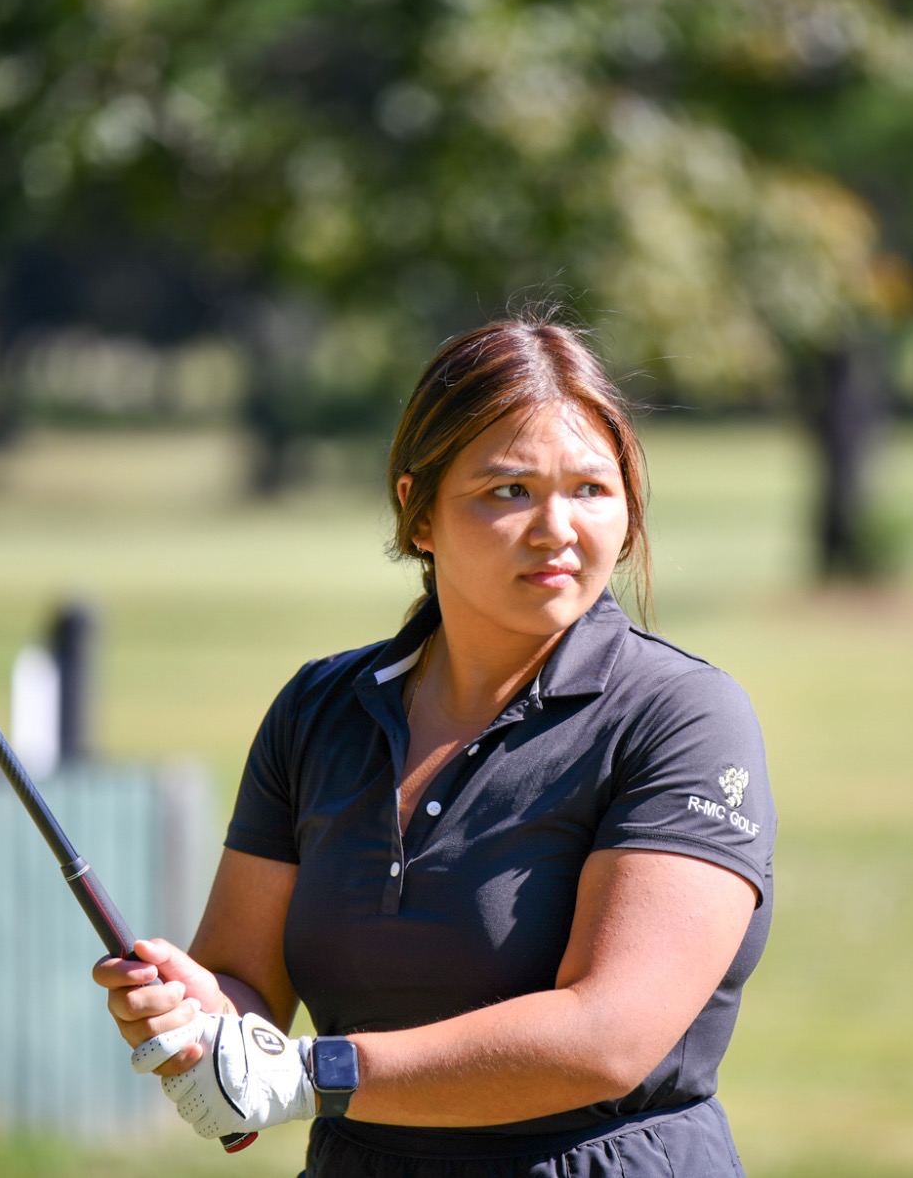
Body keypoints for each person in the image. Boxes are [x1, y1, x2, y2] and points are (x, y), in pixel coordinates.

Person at [93, 314, 774, 1176]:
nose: (556, 527)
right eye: (508, 490)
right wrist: (201, 1021)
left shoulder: (683, 717)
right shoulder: (318, 710)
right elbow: (243, 981)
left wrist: (314, 1072)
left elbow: (606, 1038)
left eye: (592, 489)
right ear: (419, 514)